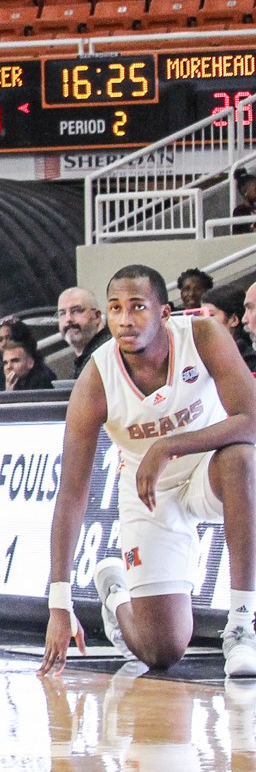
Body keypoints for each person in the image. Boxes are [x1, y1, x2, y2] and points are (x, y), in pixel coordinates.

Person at [41, 265, 256, 679]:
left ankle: (243, 626)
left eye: (138, 307)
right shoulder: (96, 379)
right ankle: (116, 590)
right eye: (116, 308)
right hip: (148, 490)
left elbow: (251, 420)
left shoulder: (204, 335)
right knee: (163, 650)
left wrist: (169, 445)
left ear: (165, 314)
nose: (125, 320)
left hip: (208, 467)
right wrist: (59, 603)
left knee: (242, 458)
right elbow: (70, 493)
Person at [49, 286, 111, 380]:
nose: (68, 319)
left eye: (76, 311)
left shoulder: (107, 355)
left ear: (97, 316)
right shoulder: (85, 360)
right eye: (62, 313)